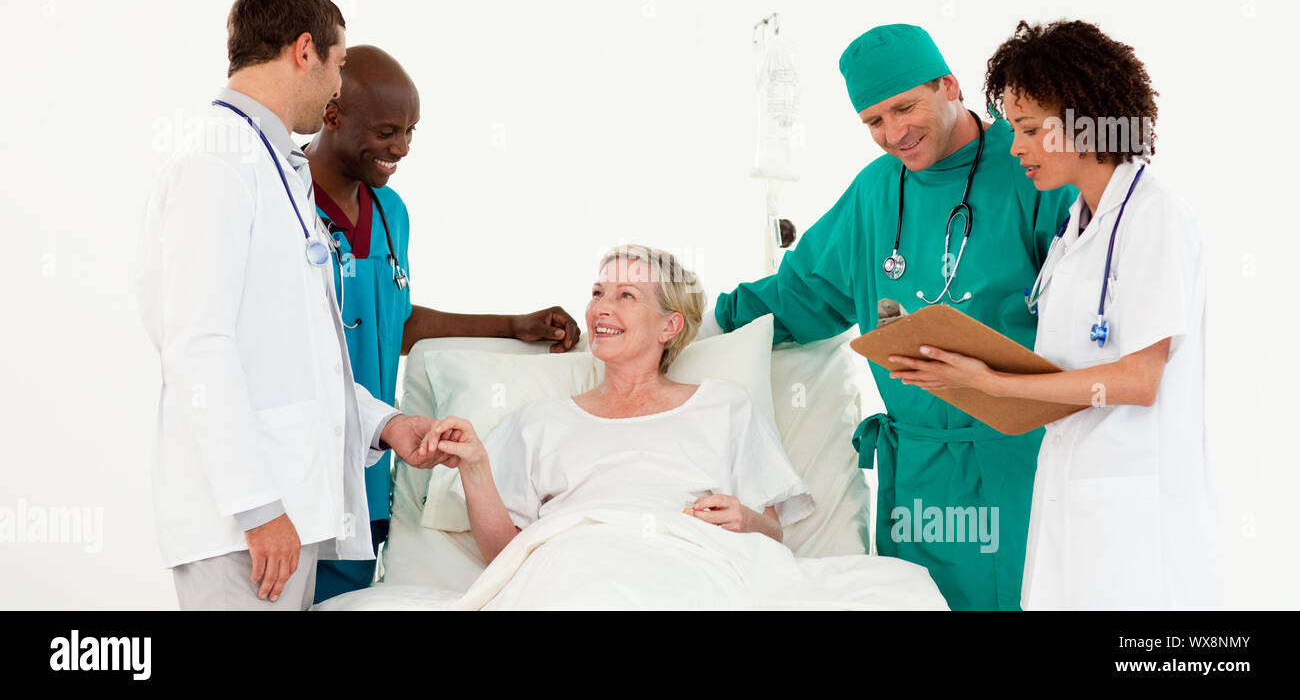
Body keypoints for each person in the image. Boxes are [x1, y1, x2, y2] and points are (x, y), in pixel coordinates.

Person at [318, 245, 946, 610]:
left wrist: (747, 520)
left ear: (671, 326)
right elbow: (503, 558)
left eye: (625, 297)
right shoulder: (539, 420)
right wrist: (478, 469)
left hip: (692, 558)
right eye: (598, 292)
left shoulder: (723, 406)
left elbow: (773, 532)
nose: (600, 308)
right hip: (575, 559)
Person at [700, 24, 1077, 610]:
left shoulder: (1030, 168)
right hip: (920, 472)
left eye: (905, 107)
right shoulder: (876, 192)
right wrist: (690, 321)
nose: (893, 132)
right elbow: (799, 293)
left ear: (949, 86)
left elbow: (1084, 310)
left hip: (1019, 457)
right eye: (873, 121)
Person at [137, 0, 450, 610]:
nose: (338, 84)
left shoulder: (274, 164)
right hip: (247, 525)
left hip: (290, 513)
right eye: (337, 63)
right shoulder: (215, 165)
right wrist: (257, 508)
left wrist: (386, 424)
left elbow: (299, 359)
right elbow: (199, 348)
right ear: (304, 51)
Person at [887, 20, 1224, 609]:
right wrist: (969, 369)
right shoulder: (1075, 230)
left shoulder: (1155, 218)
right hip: (1070, 493)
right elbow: (1071, 363)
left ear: (1086, 121)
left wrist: (991, 383)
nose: (1014, 147)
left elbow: (1139, 381)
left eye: (1029, 129)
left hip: (1135, 510)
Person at [301, 45, 581, 602]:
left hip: (368, 467)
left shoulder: (390, 210)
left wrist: (513, 324)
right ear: (332, 113)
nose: (401, 149)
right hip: (299, 466)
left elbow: (394, 323)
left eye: (411, 132)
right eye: (386, 131)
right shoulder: (282, 202)